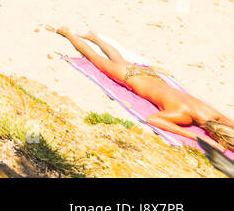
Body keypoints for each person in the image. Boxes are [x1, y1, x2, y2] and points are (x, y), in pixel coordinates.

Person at [57, 26, 234, 153]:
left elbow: (228, 121)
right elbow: (153, 119)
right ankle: (67, 32)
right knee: (93, 57)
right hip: (130, 77)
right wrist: (195, 137)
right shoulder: (182, 116)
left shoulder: (212, 113)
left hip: (148, 75)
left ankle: (95, 37)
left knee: (118, 58)